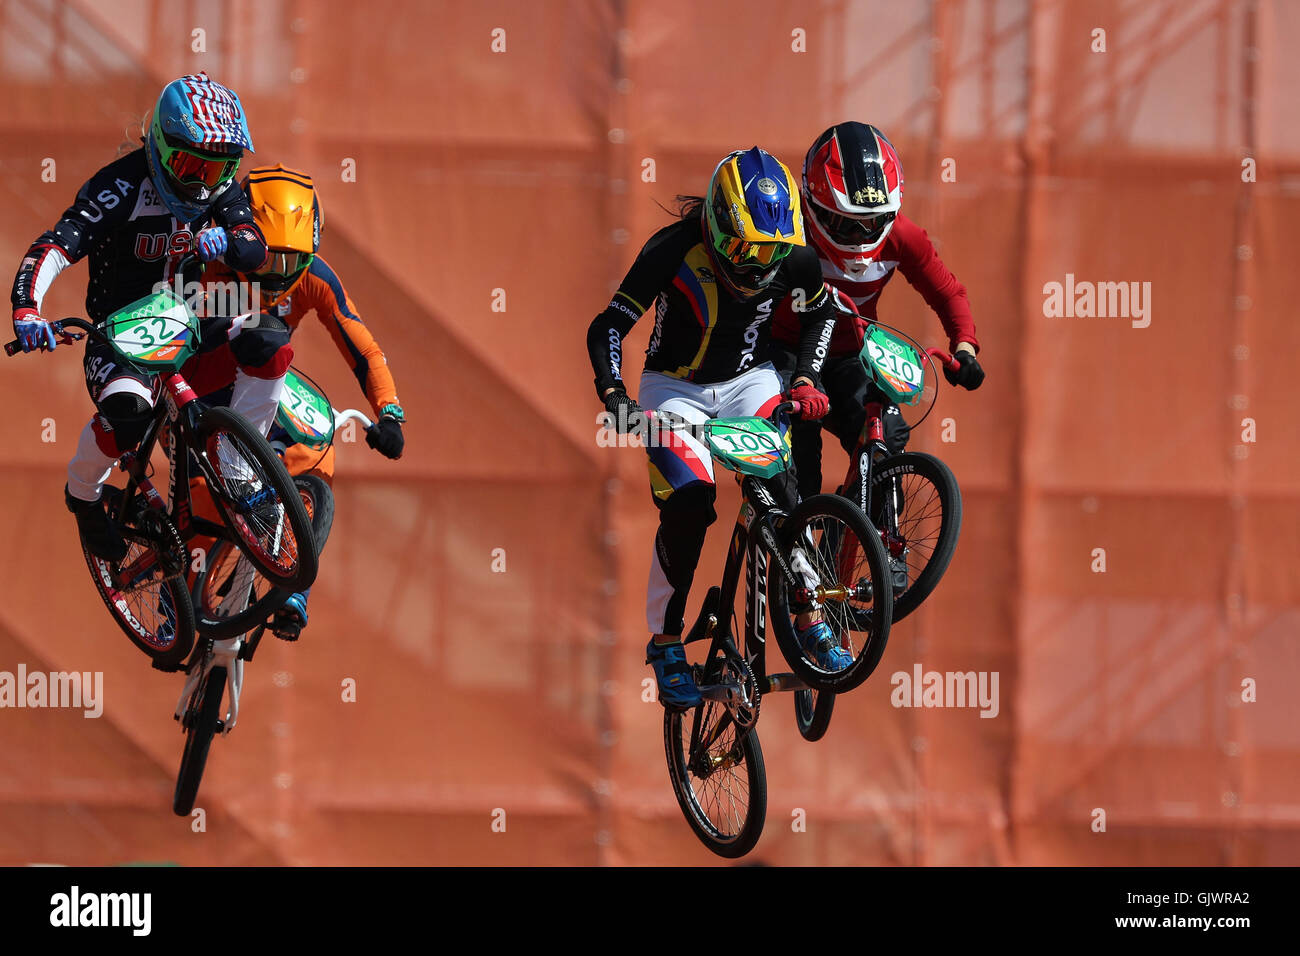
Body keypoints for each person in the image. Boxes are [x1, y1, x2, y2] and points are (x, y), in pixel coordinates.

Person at [587, 146, 848, 711]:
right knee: (691, 499)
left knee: (781, 484)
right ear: (716, 224)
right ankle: (665, 643)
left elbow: (820, 315)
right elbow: (609, 324)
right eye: (743, 253)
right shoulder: (671, 250)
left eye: (770, 256)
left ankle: (808, 612)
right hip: (672, 389)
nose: (756, 271)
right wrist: (615, 395)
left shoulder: (797, 260)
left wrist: (805, 378)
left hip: (747, 380)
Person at [8, 72, 290, 562]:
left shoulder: (220, 191)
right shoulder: (116, 187)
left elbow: (254, 244)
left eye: (218, 170)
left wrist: (233, 241)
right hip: (120, 332)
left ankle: (241, 471)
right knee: (126, 415)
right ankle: (83, 495)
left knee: (271, 338)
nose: (204, 184)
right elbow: (54, 246)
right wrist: (27, 310)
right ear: (160, 145)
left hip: (192, 315)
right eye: (190, 167)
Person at [184, 163, 406, 639]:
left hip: (263, 380)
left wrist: (388, 410)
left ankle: (291, 577)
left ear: (311, 254)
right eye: (264, 261)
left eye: (289, 263)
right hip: (197, 388)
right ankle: (177, 600)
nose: (275, 275)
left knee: (319, 449)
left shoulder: (316, 278)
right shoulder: (209, 263)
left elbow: (361, 345)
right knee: (203, 503)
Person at [769, 122, 984, 512]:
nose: (859, 236)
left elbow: (949, 292)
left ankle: (851, 535)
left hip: (851, 355)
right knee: (801, 453)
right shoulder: (786, 224)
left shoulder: (902, 235)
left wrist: (964, 348)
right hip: (786, 350)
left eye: (871, 223)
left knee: (887, 438)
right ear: (813, 205)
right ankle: (801, 536)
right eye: (845, 222)